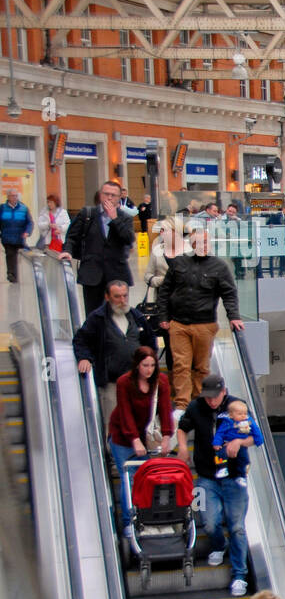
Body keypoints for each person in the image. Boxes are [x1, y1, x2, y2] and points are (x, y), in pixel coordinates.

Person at [177, 375, 258, 596]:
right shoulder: (196, 407)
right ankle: (218, 544)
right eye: (208, 398)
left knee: (237, 527)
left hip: (234, 476)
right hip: (206, 476)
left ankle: (239, 575)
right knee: (209, 522)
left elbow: (254, 436)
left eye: (215, 397)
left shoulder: (237, 406)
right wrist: (183, 447)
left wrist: (239, 441)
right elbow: (182, 427)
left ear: (224, 392)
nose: (211, 402)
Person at [157, 227, 243, 411]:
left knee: (201, 367)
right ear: (192, 244)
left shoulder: (219, 267)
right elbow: (164, 291)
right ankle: (182, 405)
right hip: (179, 324)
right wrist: (163, 316)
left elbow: (229, 293)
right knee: (181, 366)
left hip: (204, 325)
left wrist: (234, 316)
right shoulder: (179, 263)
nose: (202, 246)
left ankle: (199, 403)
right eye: (198, 243)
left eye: (205, 242)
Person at [106, 347, 174, 536]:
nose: (149, 369)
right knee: (129, 477)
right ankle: (129, 520)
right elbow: (125, 412)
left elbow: (165, 409)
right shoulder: (124, 382)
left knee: (147, 478)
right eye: (145, 365)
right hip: (122, 435)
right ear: (137, 365)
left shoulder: (161, 381)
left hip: (147, 436)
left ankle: (147, 517)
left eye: (152, 365)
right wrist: (134, 439)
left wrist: (167, 436)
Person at [73, 279, 158, 420]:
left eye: (125, 296)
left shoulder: (136, 317)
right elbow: (81, 340)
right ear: (107, 297)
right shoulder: (97, 318)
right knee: (113, 423)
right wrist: (84, 358)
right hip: (111, 383)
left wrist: (150, 366)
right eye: (117, 296)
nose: (122, 300)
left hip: (137, 381)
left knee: (139, 422)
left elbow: (150, 341)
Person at [65, 181, 136, 314]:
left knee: (117, 313)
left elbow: (128, 239)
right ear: (100, 195)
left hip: (116, 274)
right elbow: (71, 237)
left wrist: (115, 219)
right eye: (106, 194)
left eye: (113, 195)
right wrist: (67, 251)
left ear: (119, 197)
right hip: (92, 273)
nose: (109, 198)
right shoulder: (87, 214)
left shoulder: (125, 218)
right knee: (94, 314)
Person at [211, 399, 263, 479]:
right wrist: (217, 443)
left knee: (243, 457)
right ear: (231, 415)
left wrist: (258, 440)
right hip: (227, 443)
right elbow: (220, 433)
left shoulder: (249, 421)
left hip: (242, 444)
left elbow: (256, 431)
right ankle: (223, 468)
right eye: (240, 414)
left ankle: (242, 473)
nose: (243, 416)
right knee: (221, 454)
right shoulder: (227, 422)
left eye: (245, 414)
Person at [1, 188, 34, 284]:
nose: (15, 197)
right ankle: (11, 274)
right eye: (12, 196)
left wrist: (27, 232)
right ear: (8, 197)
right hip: (7, 237)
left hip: (20, 238)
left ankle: (20, 274)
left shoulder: (23, 208)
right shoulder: (2, 208)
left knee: (21, 256)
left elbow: (30, 222)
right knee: (10, 255)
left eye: (16, 195)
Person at [33, 193, 70, 257]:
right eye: (48, 202)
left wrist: (60, 229)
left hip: (59, 241)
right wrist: (48, 225)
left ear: (56, 202)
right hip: (47, 241)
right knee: (48, 259)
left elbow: (67, 224)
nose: (49, 204)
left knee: (58, 258)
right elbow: (39, 224)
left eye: (51, 202)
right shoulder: (44, 212)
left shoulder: (63, 212)